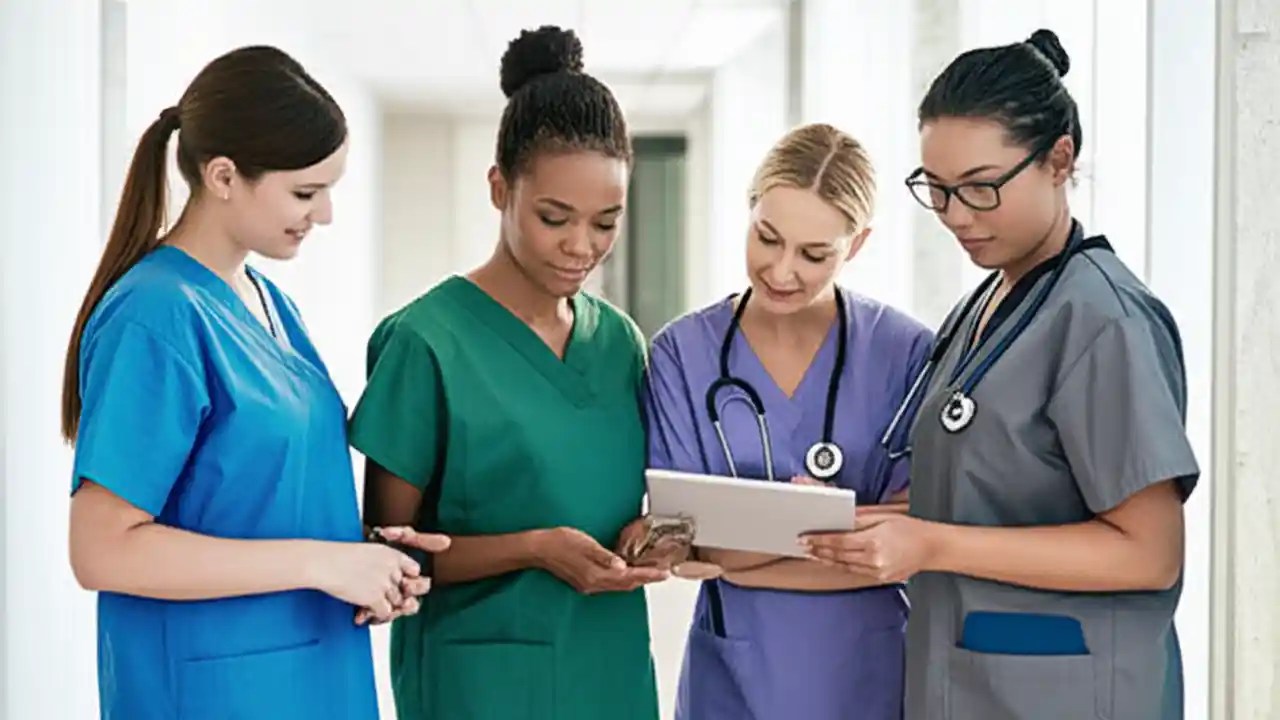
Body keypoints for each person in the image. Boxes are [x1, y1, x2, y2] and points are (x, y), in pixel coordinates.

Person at [803, 29, 1200, 720]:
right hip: (975, 682)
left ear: (1059, 159)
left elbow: (1149, 553)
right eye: (939, 189)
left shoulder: (1103, 321)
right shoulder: (987, 302)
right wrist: (868, 522)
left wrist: (929, 543)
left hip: (1069, 691)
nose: (956, 216)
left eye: (982, 188)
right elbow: (1000, 494)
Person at [63, 46, 448, 720]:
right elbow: (102, 549)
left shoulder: (268, 303)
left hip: (314, 672)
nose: (324, 213)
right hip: (217, 693)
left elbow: (254, 497)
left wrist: (364, 560)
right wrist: (319, 564)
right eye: (305, 191)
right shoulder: (156, 315)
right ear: (222, 176)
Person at [348, 26, 666, 720]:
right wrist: (535, 550)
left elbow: (635, 498)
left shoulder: (619, 344)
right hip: (478, 684)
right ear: (500, 188)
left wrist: (649, 535)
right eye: (555, 218)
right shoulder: (426, 343)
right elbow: (387, 555)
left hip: (609, 670)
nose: (582, 247)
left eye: (606, 222)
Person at [641, 122, 934, 719]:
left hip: (868, 671)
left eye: (813, 253)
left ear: (856, 244)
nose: (780, 270)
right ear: (749, 211)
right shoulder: (682, 353)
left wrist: (738, 556)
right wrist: (838, 531)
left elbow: (917, 535)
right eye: (767, 238)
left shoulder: (904, 352)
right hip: (734, 678)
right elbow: (680, 541)